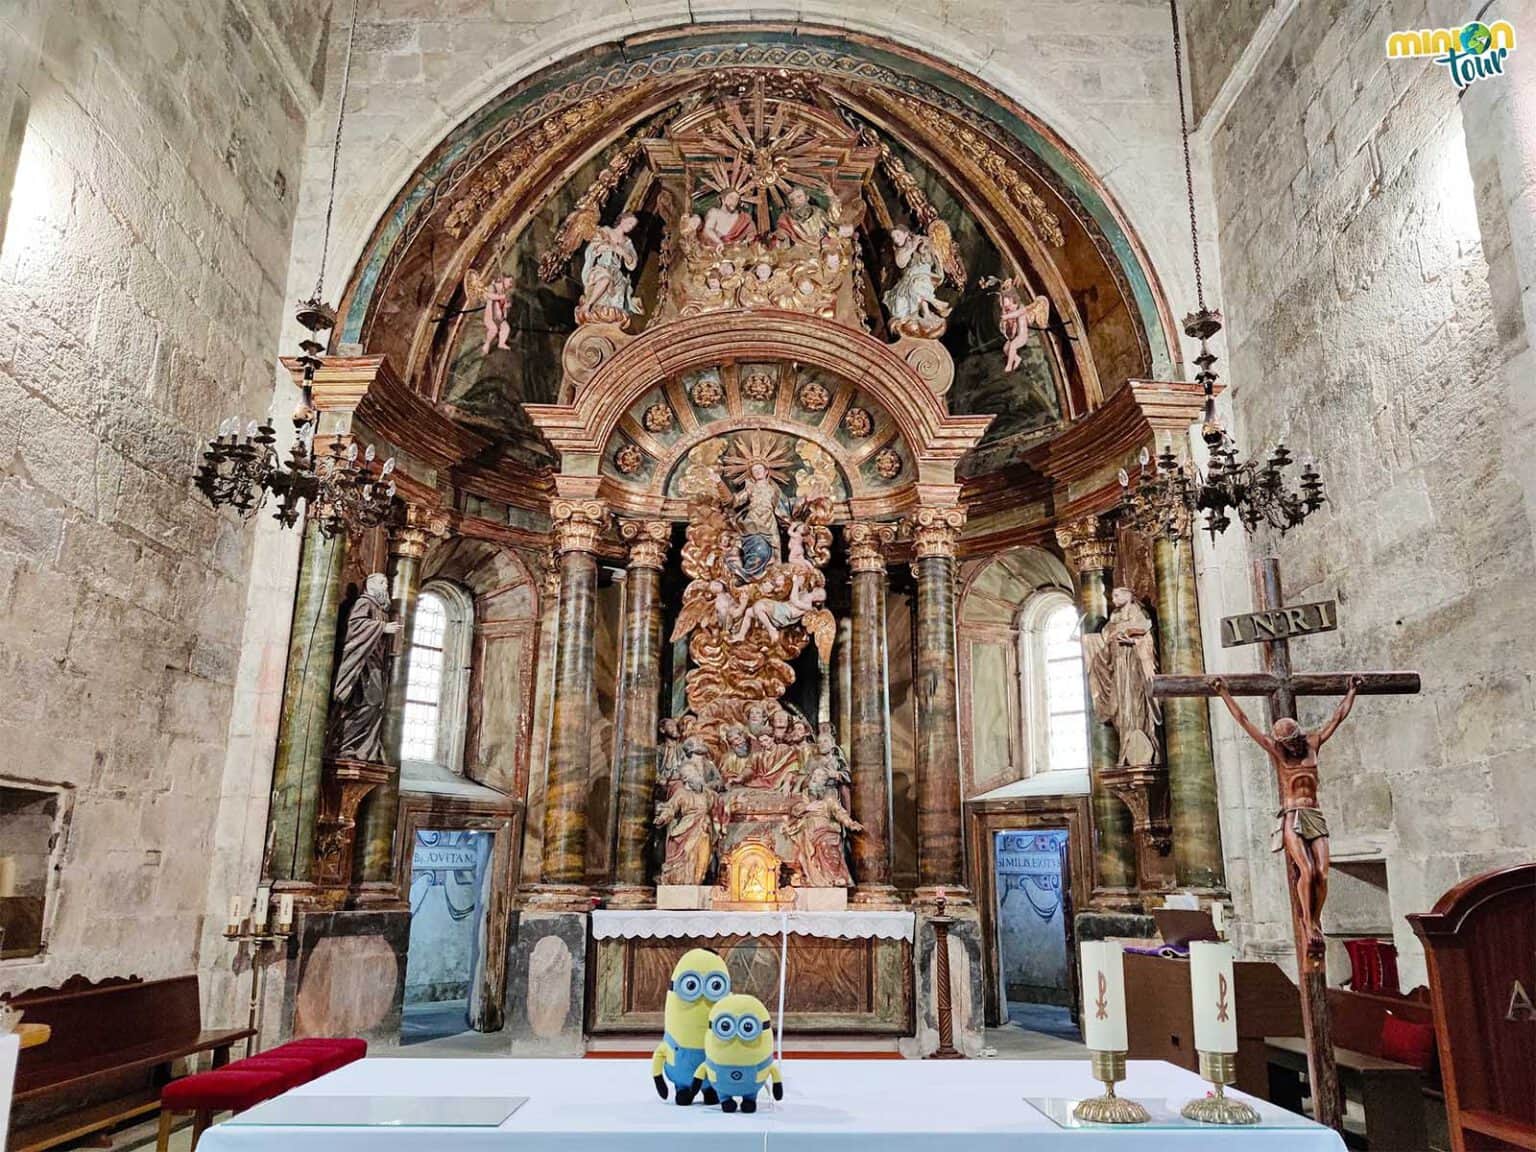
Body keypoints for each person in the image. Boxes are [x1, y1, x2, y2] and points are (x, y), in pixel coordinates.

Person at [1211, 675, 1363, 953]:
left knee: (1323, 873)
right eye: (1287, 743)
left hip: (1313, 814)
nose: (1292, 747)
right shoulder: (1278, 753)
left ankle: (1316, 919)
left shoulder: (1313, 743)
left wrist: (1352, 690)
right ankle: (1307, 923)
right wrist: (1224, 693)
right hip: (1292, 815)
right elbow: (1245, 722)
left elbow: (1338, 718)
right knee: (1305, 869)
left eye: (1294, 741)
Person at [1082, 587, 1161, 767]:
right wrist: (1090, 643)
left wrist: (1133, 642)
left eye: (1117, 595)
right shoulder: (1114, 619)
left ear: (1129, 595)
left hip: (1135, 667)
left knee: (1136, 706)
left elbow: (1148, 639)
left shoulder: (1140, 615)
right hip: (1118, 668)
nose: (1114, 598)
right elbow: (1104, 643)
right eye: (1113, 595)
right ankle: (1125, 749)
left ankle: (1142, 750)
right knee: (1120, 707)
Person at [330, 573, 400, 763]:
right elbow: (355, 625)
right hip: (363, 665)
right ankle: (345, 744)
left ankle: (364, 749)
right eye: (382, 582)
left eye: (386, 583)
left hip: (375, 664)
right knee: (368, 703)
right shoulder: (364, 603)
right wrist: (382, 628)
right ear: (370, 585)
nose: (386, 586)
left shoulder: (380, 609)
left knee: (376, 706)